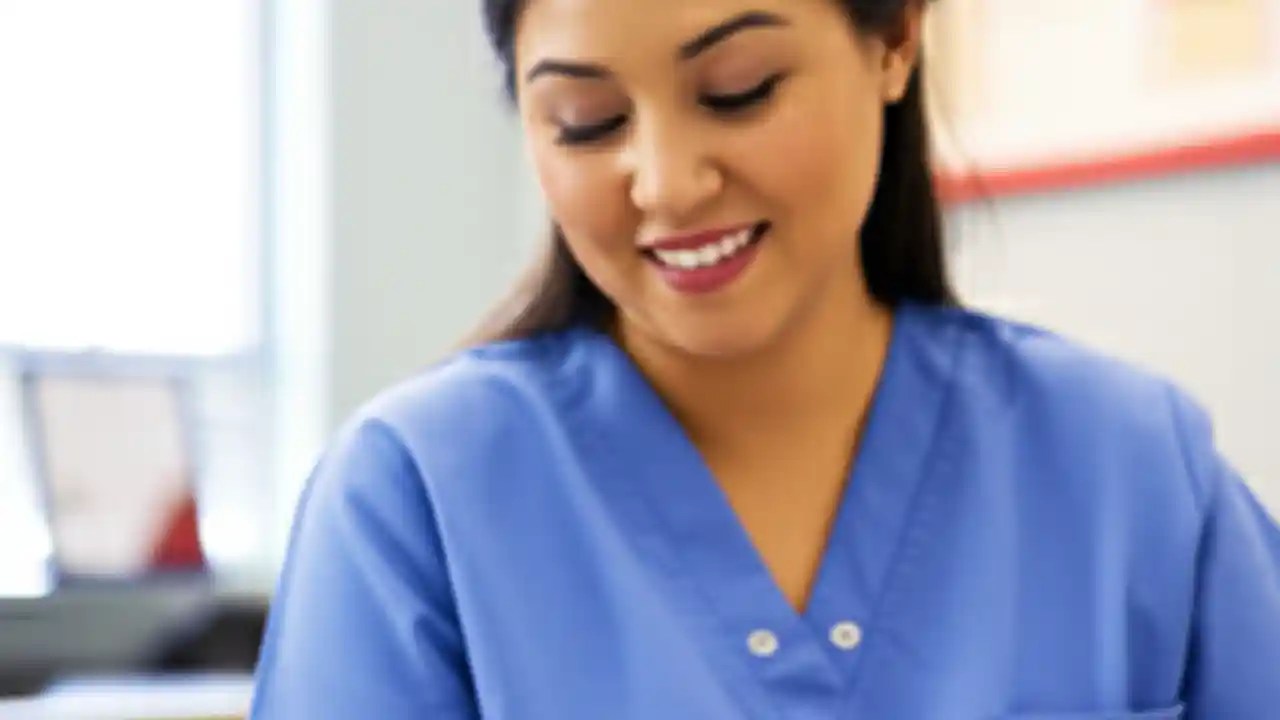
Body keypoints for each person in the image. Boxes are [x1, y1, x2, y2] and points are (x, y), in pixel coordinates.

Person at [250, 0, 1280, 717]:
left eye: (737, 91)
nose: (665, 182)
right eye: (586, 123)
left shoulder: (1131, 471)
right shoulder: (415, 500)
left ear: (894, 39)